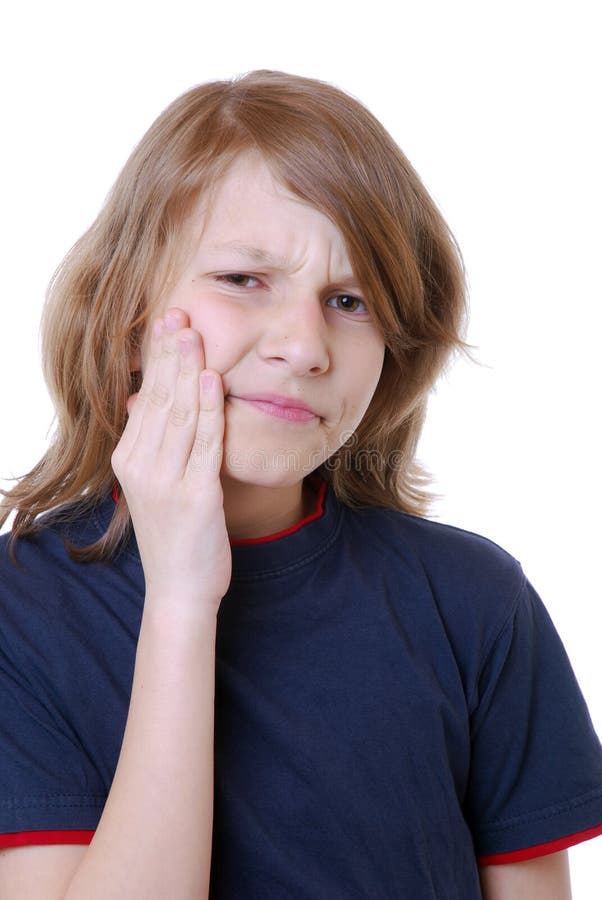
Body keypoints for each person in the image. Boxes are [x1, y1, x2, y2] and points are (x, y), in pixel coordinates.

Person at [0, 70, 600, 900]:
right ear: (126, 313)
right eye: (244, 280)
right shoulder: (21, 609)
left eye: (349, 300)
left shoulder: (474, 600)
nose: (305, 346)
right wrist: (179, 599)